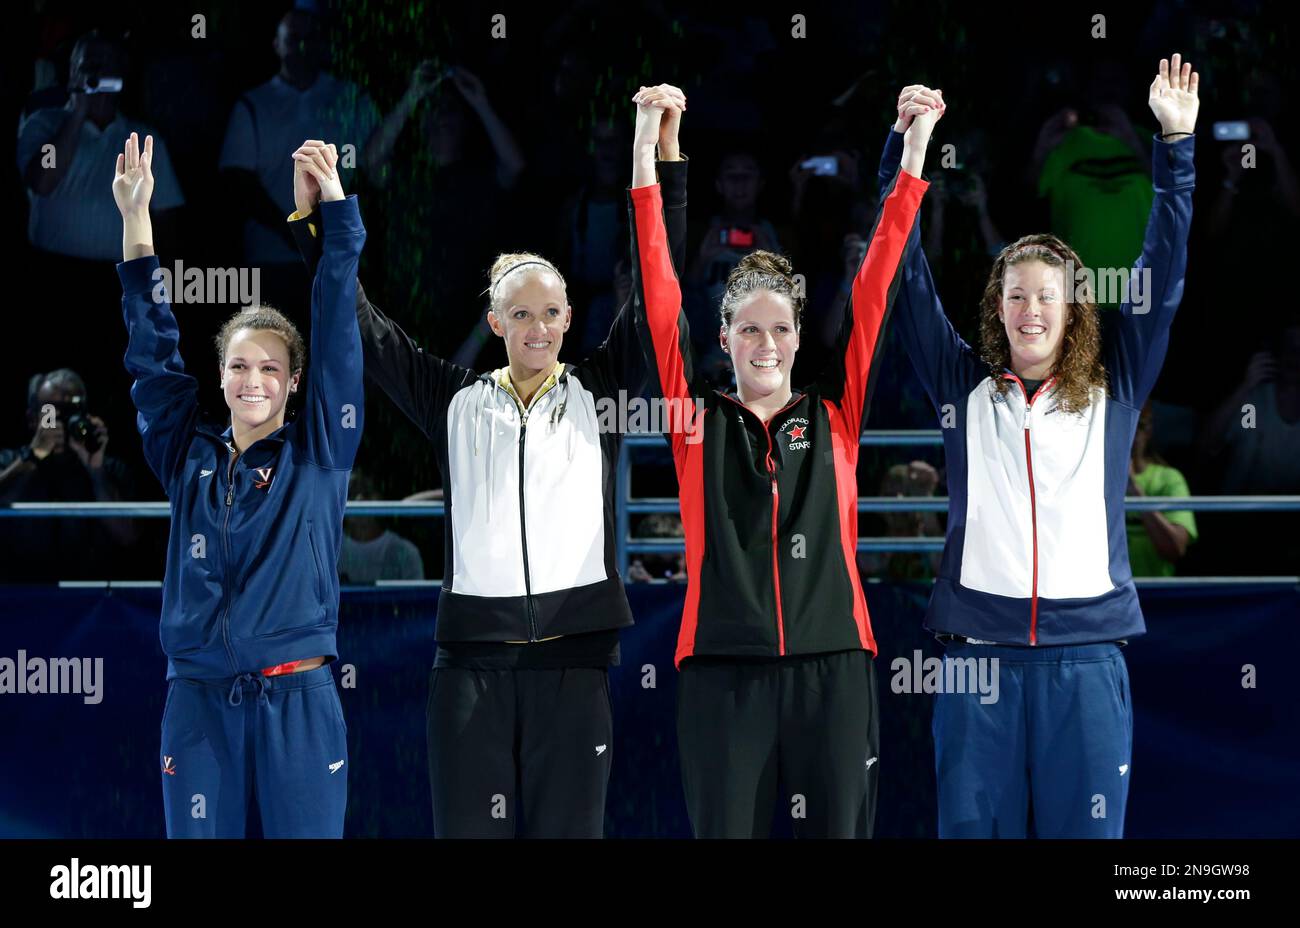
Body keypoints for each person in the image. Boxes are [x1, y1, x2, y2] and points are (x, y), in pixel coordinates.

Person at [285, 86, 689, 838]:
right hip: (470, 667)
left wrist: (656, 155)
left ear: (572, 319)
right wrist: (324, 219)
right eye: (522, 313)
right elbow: (360, 324)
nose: (538, 327)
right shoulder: (453, 399)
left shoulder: (599, 391)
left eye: (552, 312)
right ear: (495, 321)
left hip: (575, 663)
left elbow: (661, 288)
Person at [883, 55, 1197, 838]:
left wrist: (1177, 145)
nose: (1029, 310)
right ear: (997, 306)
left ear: (1072, 309)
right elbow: (900, 276)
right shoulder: (966, 389)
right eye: (1015, 294)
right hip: (975, 661)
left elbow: (1165, 269)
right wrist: (905, 155)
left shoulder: (1116, 385)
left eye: (1045, 296)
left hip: (1087, 662)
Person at [628, 89, 932, 838]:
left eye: (782, 328)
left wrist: (914, 151)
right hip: (721, 669)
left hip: (836, 664)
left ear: (800, 337)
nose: (767, 342)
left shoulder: (836, 415)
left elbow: (880, 280)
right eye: (749, 328)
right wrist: (646, 150)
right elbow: (659, 294)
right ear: (724, 338)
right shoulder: (695, 423)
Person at [115, 131, 365, 837]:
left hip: (299, 700)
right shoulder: (184, 453)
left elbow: (340, 334)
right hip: (197, 700)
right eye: (239, 366)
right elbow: (152, 355)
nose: (253, 379)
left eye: (270, 369)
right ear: (221, 378)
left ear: (291, 384)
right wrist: (138, 222)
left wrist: (337, 216)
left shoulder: (319, 450)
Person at [19, 32, 184, 261]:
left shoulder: (144, 138)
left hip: (120, 274)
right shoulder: (43, 123)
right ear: (72, 73)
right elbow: (42, 181)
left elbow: (167, 219)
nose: (100, 73)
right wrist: (77, 114)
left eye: (110, 65)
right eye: (90, 65)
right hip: (50, 263)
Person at [0, 369, 138, 582]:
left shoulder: (109, 469)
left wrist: (96, 471)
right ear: (32, 418)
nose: (62, 422)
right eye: (52, 413)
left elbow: (127, 536)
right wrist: (33, 456)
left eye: (72, 411)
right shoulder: (9, 462)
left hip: (90, 602)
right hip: (20, 597)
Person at [1127, 403, 1196, 577]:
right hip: (1110, 596)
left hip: (1156, 593)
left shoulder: (1170, 479)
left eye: (1139, 426)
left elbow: (1175, 549)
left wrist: (1133, 489)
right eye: (1125, 425)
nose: (1132, 435)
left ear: (1149, 431)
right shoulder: (1094, 479)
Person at [338, 470, 425, 583]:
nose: (359, 499)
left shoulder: (405, 552)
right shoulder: (330, 551)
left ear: (380, 496)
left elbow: (417, 598)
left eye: (367, 492)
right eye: (351, 494)